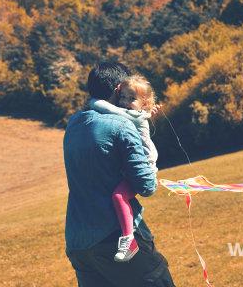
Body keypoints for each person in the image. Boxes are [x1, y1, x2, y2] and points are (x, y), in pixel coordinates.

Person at [63, 62, 175, 287]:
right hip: (114, 237)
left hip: (78, 243)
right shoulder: (121, 125)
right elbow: (146, 185)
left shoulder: (73, 124)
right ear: (118, 89)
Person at [89, 75, 158, 262]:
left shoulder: (133, 116)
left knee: (118, 196)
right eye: (123, 97)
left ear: (144, 104)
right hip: (132, 165)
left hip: (145, 165)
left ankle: (129, 240)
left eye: (131, 99)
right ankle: (129, 235)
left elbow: (105, 108)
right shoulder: (138, 113)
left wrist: (94, 100)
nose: (125, 103)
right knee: (120, 196)